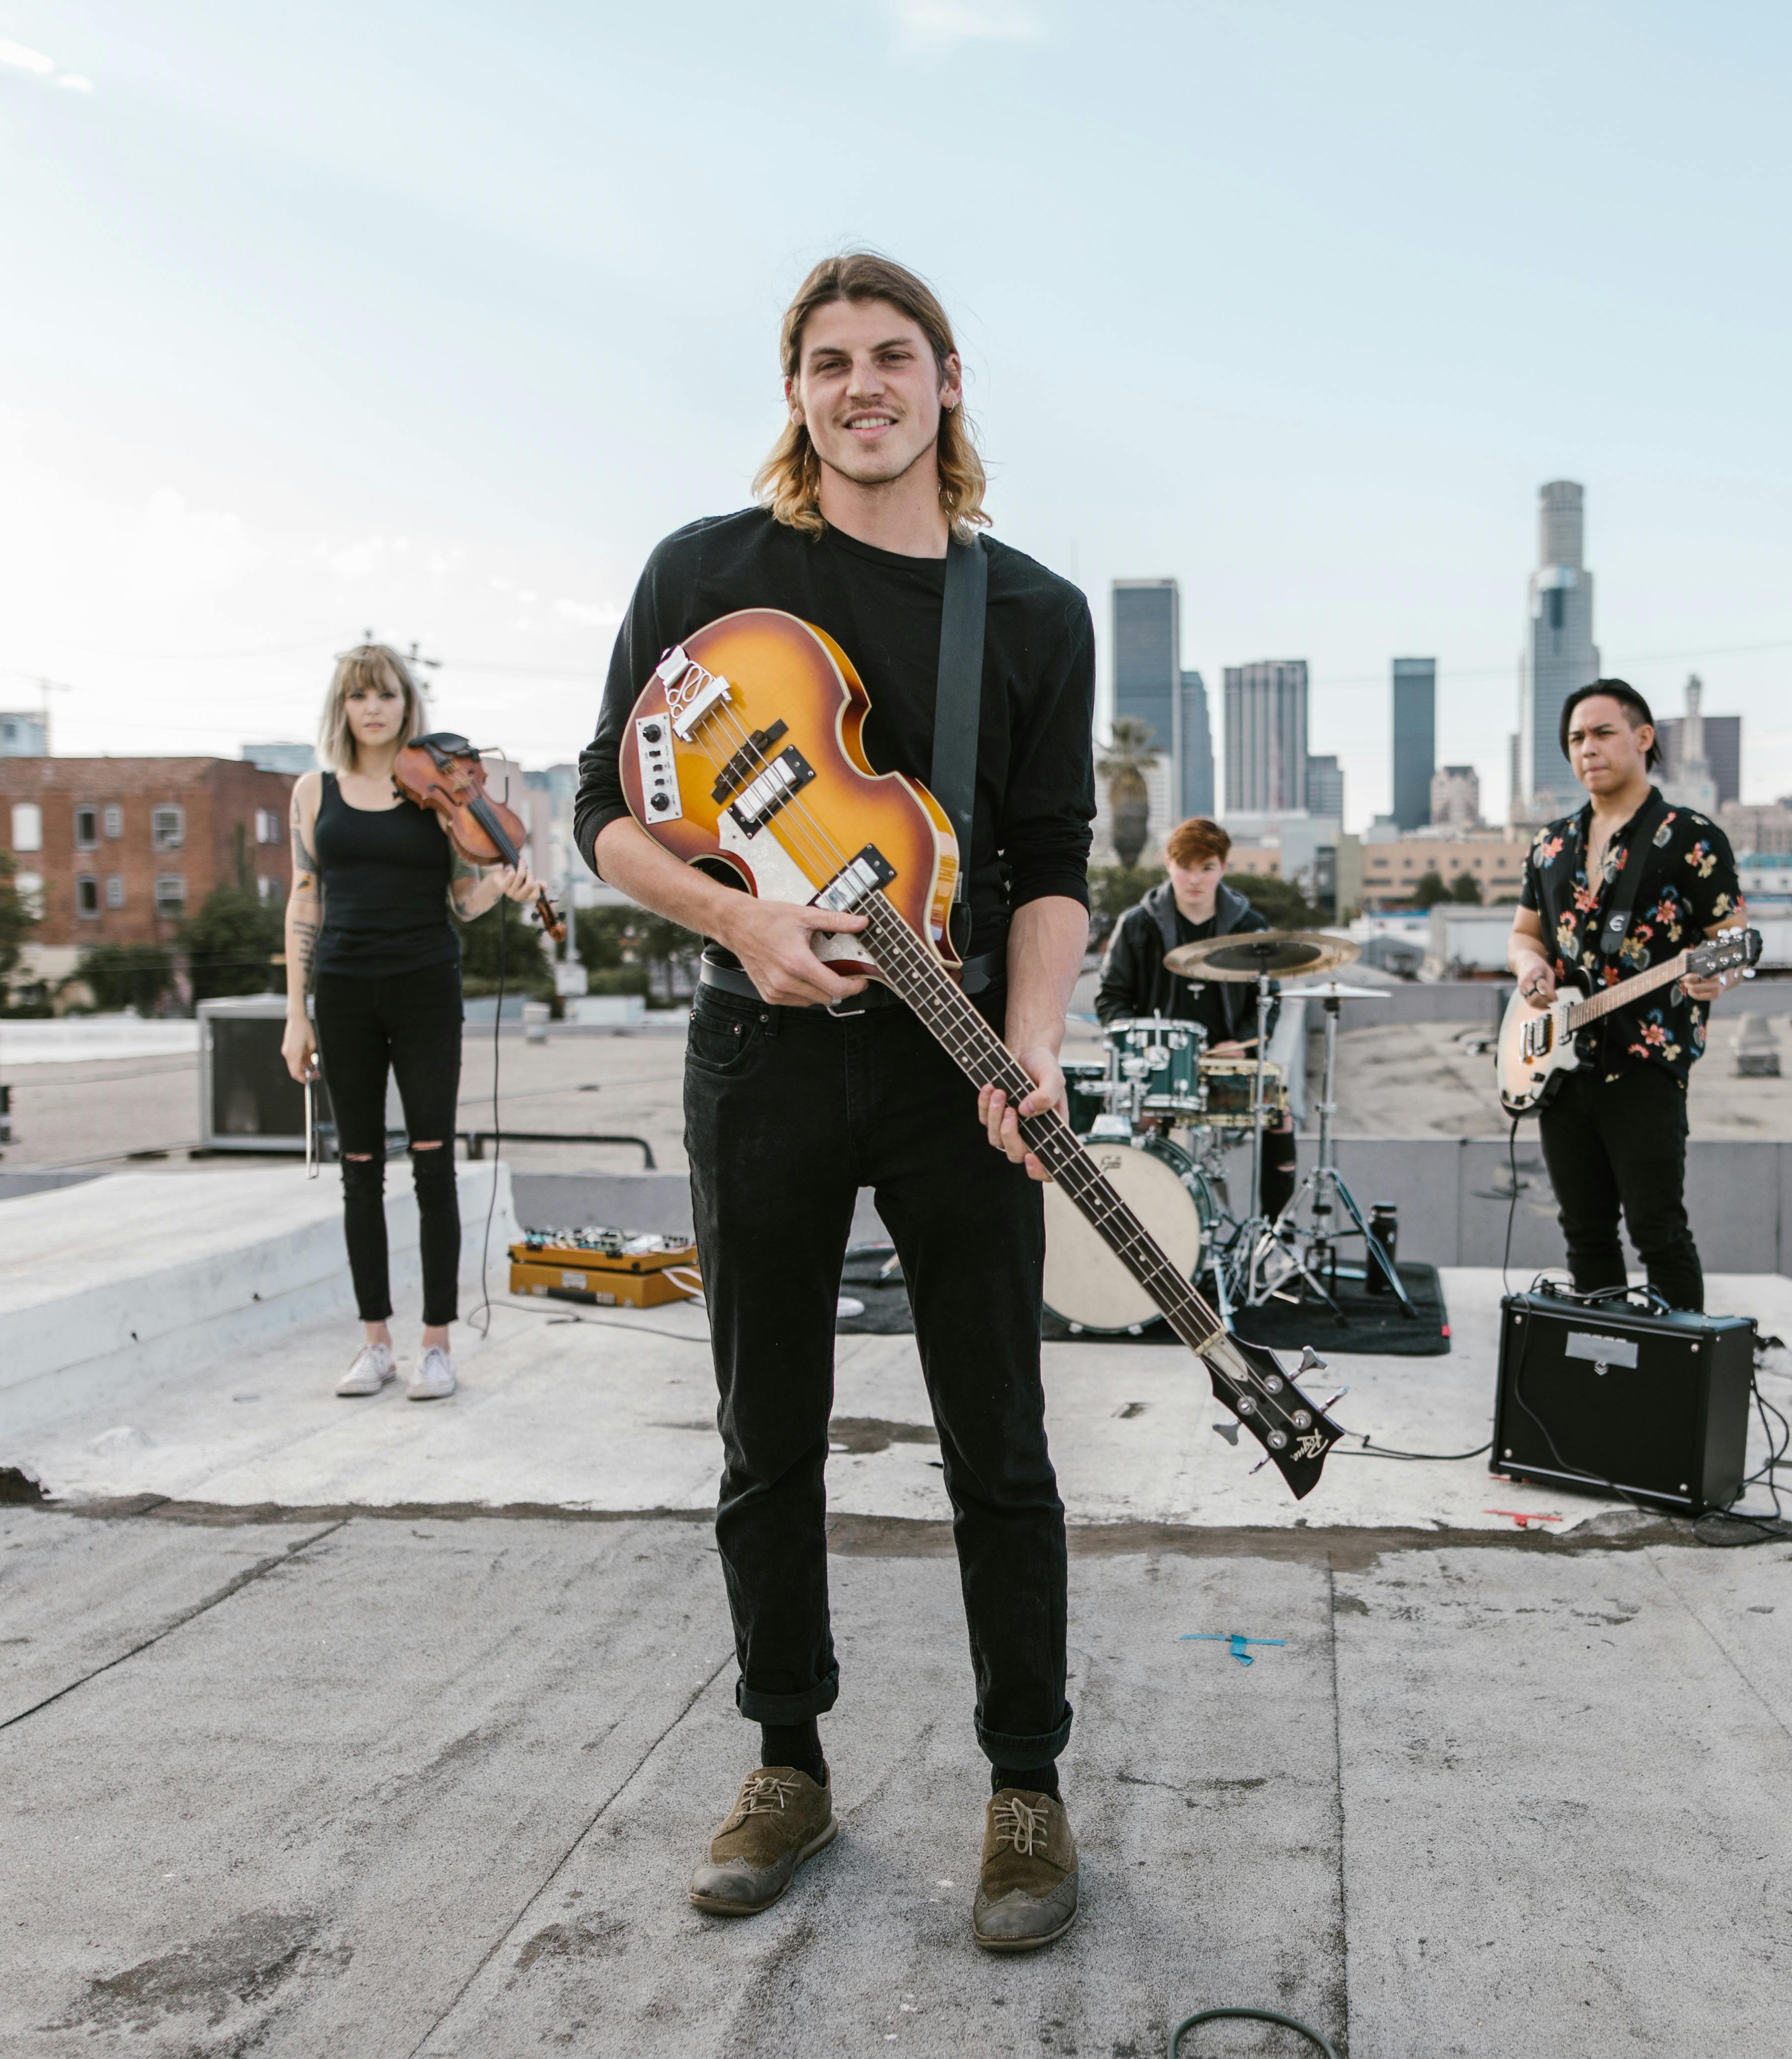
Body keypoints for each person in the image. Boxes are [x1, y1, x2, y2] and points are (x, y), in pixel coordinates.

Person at [574, 253, 1093, 1953]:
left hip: (957, 1062)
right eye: (827, 362)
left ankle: (1026, 1787)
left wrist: (1033, 1044)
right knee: (765, 1432)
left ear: (947, 381)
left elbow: (1049, 861)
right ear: (794, 391)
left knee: (998, 1441)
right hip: (762, 1054)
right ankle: (786, 1761)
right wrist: (740, 923)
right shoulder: (705, 575)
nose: (861, 386)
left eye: (891, 356)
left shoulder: (1033, 613)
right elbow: (603, 814)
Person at [278, 644, 540, 1401]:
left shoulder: (437, 793)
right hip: (343, 990)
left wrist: (501, 886)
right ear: (342, 706)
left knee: (434, 1164)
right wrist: (296, 1013)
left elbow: (462, 900)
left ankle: (436, 1345)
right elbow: (303, 899)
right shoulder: (313, 791)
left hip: (426, 984)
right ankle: (375, 1343)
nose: (373, 707)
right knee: (359, 1171)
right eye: (359, 694)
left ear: (406, 703)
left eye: (386, 693)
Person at [1506, 678, 1743, 1312]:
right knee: (1583, 1232)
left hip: (1646, 1067)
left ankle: (1680, 1358)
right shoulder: (1549, 845)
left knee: (1657, 1230)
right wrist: (1531, 969)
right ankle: (1603, 1354)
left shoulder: (1691, 836)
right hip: (1560, 1070)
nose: (1587, 748)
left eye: (1603, 732)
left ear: (1642, 738)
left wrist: (1717, 976)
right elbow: (1524, 936)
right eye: (1576, 738)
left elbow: (1732, 940)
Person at [1091, 816, 1298, 1220]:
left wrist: (1243, 1043)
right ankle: (1148, 1228)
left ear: (1223, 867)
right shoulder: (1137, 924)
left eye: (1207, 867)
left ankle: (1274, 1231)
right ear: (1169, 863)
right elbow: (1110, 998)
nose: (1196, 879)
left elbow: (1269, 999)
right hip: (1158, 1067)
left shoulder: (1249, 927)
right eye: (1185, 866)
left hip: (1226, 1064)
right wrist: (1144, 1045)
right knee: (1140, 1123)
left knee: (1279, 1112)